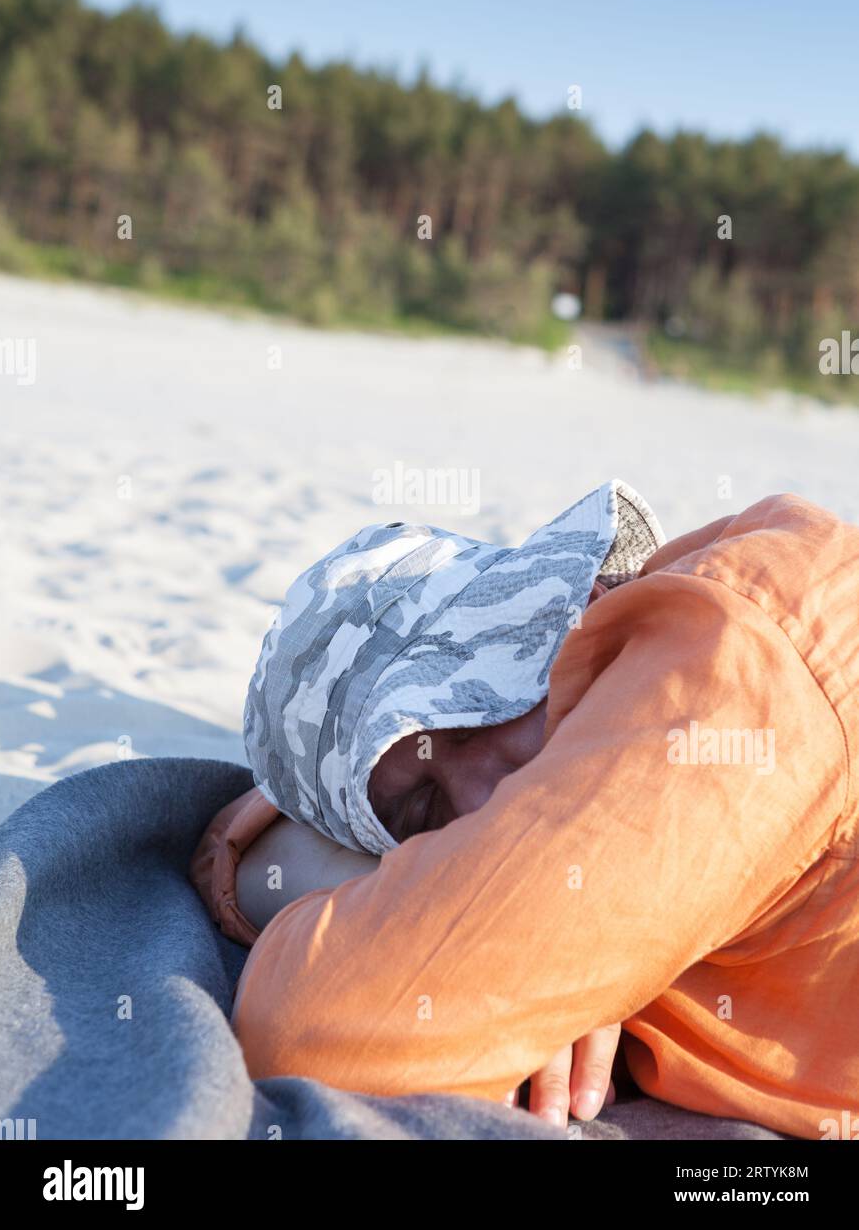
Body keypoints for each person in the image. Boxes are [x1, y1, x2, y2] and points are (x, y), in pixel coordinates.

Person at [190, 478, 859, 1139]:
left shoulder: (732, 655)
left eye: (473, 711)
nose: (485, 794)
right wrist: (546, 933)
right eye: (425, 815)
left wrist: (517, 929)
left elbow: (314, 1024)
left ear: (569, 611)